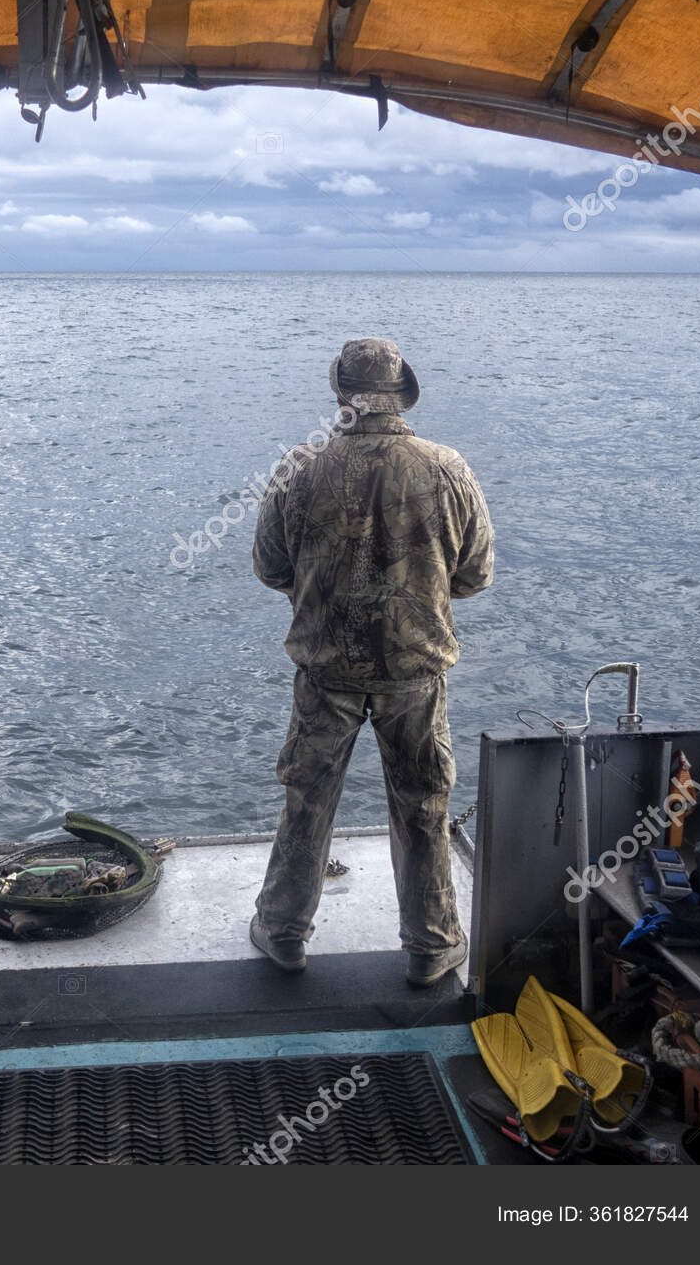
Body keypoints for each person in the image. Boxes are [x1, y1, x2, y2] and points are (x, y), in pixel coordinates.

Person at [250, 338, 494, 988]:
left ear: (341, 397)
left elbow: (270, 566)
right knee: (423, 802)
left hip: (325, 669)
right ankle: (431, 942)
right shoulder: (446, 467)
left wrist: (326, 592)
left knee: (307, 798)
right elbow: (474, 574)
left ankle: (283, 930)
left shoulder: (299, 468)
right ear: (400, 395)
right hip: (415, 670)